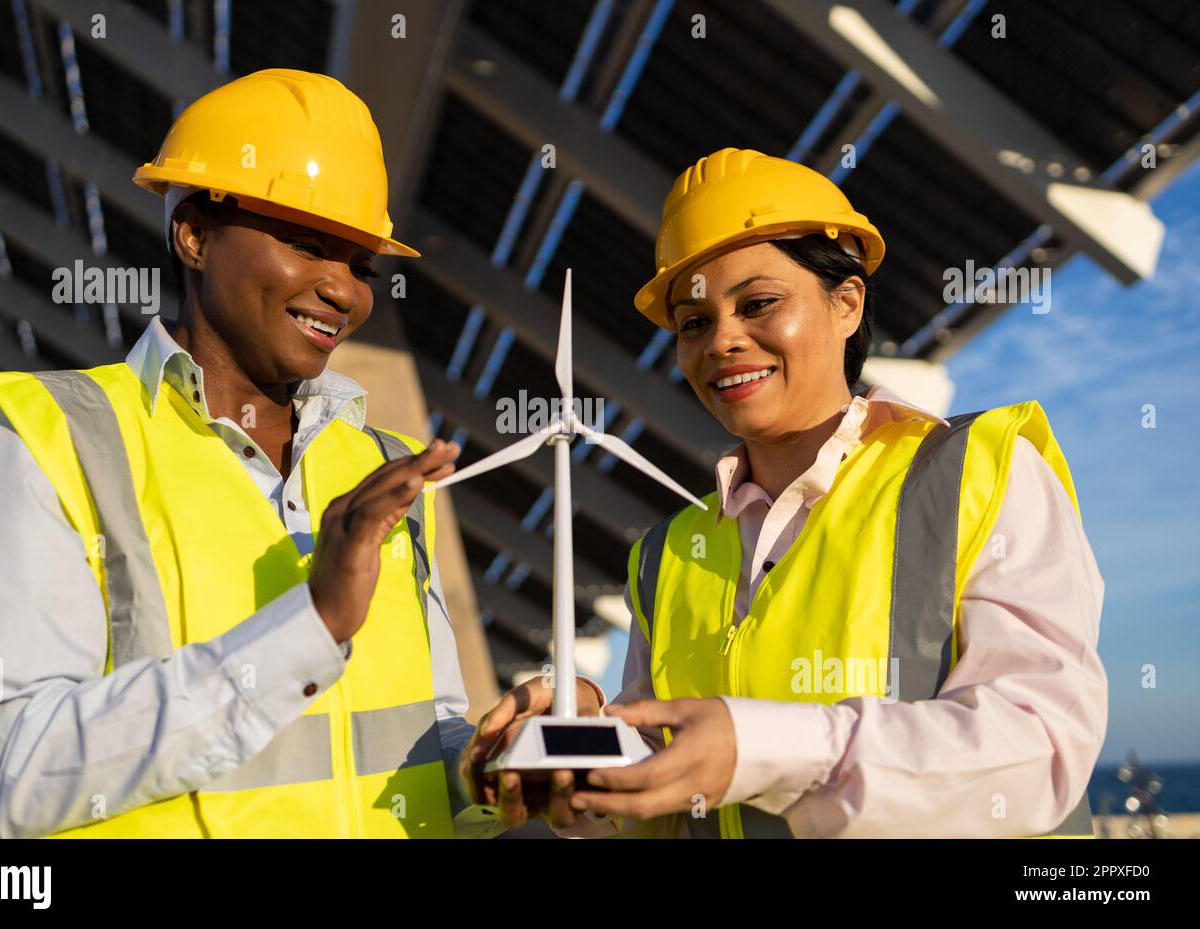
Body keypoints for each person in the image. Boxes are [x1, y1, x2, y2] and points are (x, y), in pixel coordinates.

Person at [0, 68, 605, 838]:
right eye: (307, 243)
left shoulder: (379, 468)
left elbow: (418, 744)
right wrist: (310, 625)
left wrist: (496, 763)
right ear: (193, 233)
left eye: (360, 263)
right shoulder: (57, 437)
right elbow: (19, 768)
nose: (345, 291)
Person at [462, 148, 1107, 838]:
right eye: (693, 322)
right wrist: (588, 731)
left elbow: (1039, 748)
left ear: (847, 303)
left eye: (759, 303)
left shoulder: (979, 471)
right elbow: (656, 810)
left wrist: (764, 749)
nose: (723, 340)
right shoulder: (665, 555)